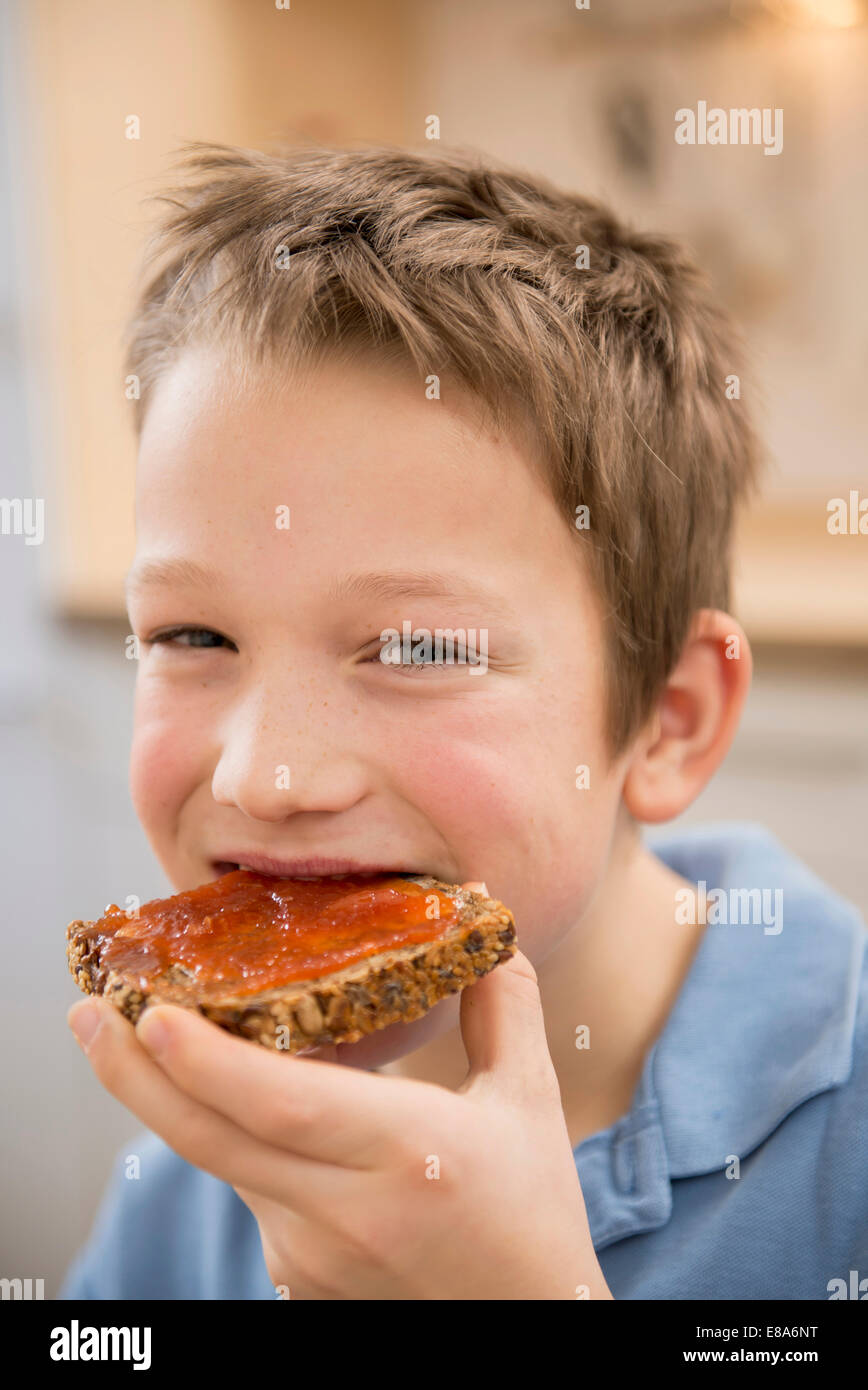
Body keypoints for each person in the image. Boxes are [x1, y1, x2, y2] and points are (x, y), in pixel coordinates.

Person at [60, 143, 867, 1299]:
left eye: (415, 648)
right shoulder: (193, 1179)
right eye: (194, 638)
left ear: (669, 720)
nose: (268, 776)